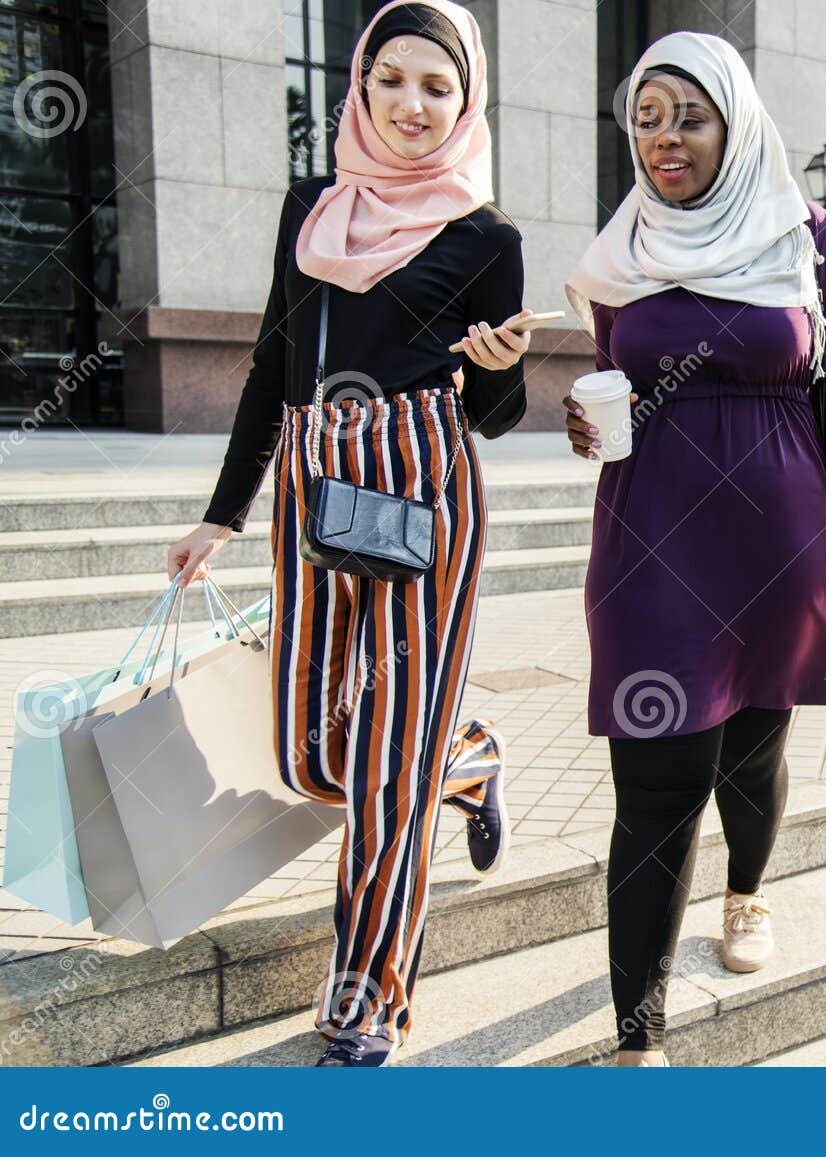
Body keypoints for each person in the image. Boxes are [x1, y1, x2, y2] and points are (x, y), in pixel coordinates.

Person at [166, 0, 531, 1067]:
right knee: (311, 746)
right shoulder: (308, 211)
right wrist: (222, 511)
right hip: (315, 485)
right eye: (393, 80)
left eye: (439, 87)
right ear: (359, 87)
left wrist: (500, 374)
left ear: (467, 104)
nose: (414, 106)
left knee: (382, 772)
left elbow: (491, 414)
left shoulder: (484, 237)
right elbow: (270, 371)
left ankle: (368, 995)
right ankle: (464, 755)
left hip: (425, 490)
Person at [562, 31, 826, 1067]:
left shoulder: (803, 236)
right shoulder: (619, 253)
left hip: (776, 542)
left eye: (688, 116)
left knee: (754, 752)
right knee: (657, 784)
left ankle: (746, 893)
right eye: (645, 119)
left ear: (735, 123)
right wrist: (583, 421)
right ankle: (636, 1042)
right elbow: (605, 378)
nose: (664, 139)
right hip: (649, 544)